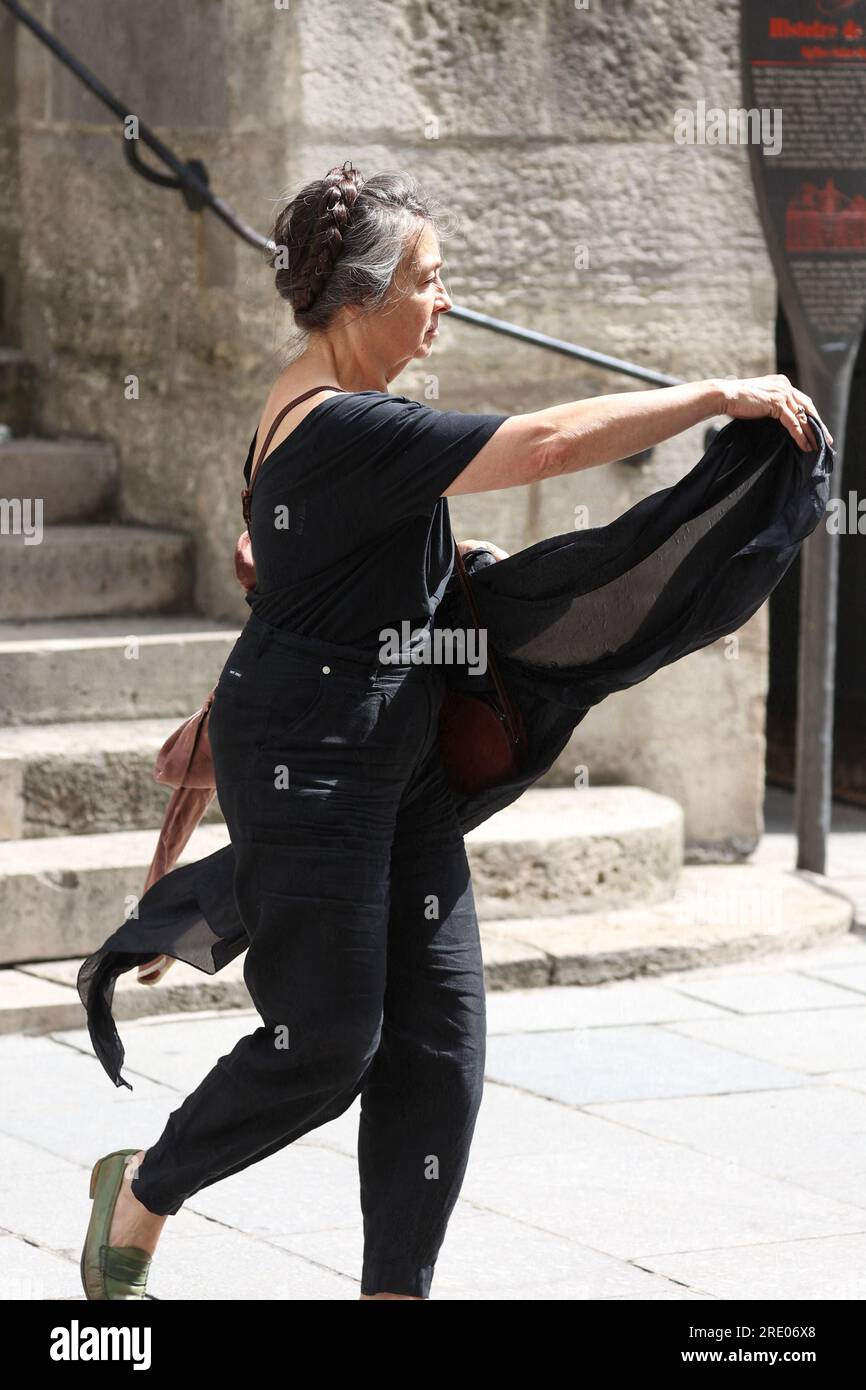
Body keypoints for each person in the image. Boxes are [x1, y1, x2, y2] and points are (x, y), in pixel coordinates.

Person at [80, 161, 832, 1302]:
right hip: (316, 765)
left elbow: (303, 565)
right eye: (428, 281)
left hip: (401, 760)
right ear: (361, 297)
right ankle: (141, 1186)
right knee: (326, 1045)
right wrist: (708, 396)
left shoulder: (326, 411)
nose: (446, 299)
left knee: (439, 1049)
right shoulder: (340, 422)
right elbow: (536, 449)